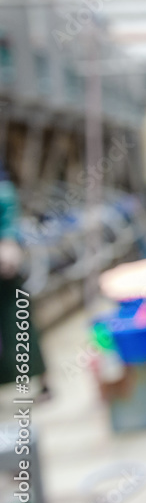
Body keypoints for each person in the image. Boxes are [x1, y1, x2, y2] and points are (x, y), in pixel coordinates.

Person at [0, 165, 47, 397]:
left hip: (8, 271)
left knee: (19, 323)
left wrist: (8, 245)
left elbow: (9, 223)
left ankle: (41, 382)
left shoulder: (4, 192)